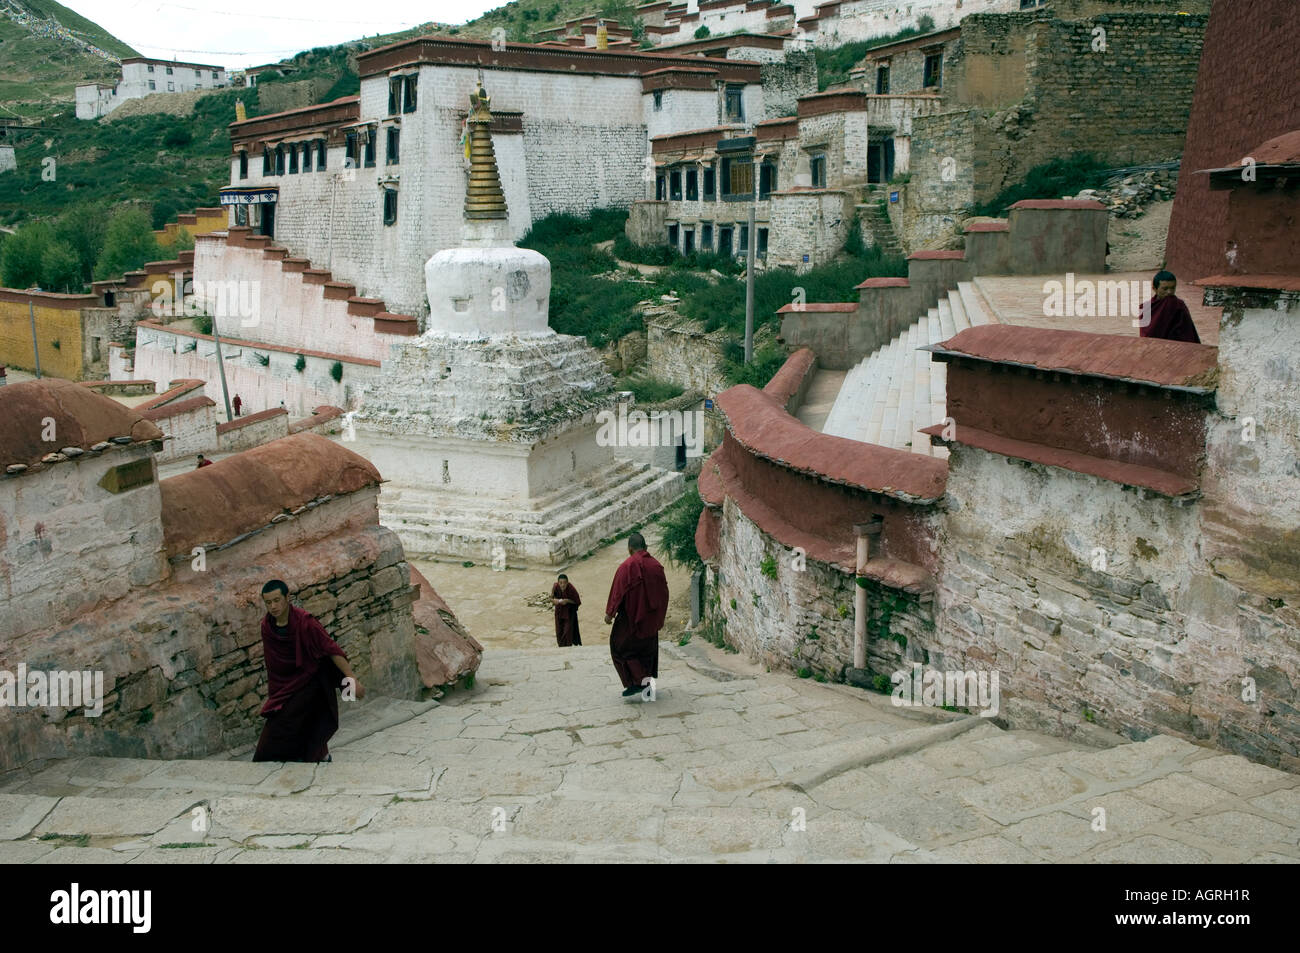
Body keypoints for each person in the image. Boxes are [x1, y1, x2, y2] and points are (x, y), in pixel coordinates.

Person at [253, 579, 364, 763]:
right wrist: (276, 694)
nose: (273, 606)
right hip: (285, 686)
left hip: (311, 681)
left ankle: (318, 755)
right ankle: (320, 755)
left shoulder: (305, 622)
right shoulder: (267, 627)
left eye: (277, 600)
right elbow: (274, 664)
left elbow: (331, 650)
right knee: (283, 727)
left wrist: (352, 680)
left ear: (287, 598)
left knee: (306, 722)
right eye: (268, 602)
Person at [604, 532, 669, 698]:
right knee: (647, 655)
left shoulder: (626, 567)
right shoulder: (656, 566)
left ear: (629, 549)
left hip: (630, 620)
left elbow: (617, 593)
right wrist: (659, 617)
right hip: (651, 621)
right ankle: (646, 690)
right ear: (646, 547)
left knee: (620, 649)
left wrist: (610, 614)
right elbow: (664, 593)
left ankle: (637, 683)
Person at [1139, 270, 1201, 343]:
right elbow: (1146, 335)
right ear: (1154, 288)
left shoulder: (1178, 305)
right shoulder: (1146, 307)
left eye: (1172, 288)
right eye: (1165, 289)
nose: (1169, 292)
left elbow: (1187, 331)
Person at [552, 573, 582, 647]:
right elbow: (551, 598)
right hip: (559, 612)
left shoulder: (571, 589)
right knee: (559, 632)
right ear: (558, 583)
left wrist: (567, 601)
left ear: (567, 583)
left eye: (564, 583)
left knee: (567, 632)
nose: (562, 585)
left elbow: (577, 601)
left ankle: (568, 648)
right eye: (561, 583)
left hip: (569, 613)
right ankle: (561, 647)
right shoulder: (555, 587)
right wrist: (554, 601)